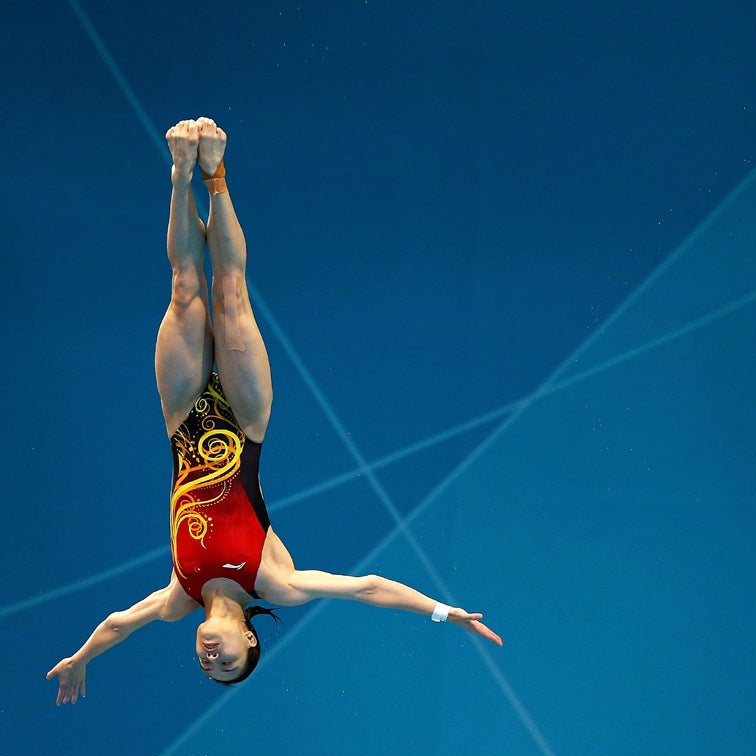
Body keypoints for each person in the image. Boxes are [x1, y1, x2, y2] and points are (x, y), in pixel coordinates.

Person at [47, 118, 501, 704]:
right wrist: (444, 611)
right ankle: (216, 174)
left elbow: (116, 624)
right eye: (229, 663)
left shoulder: (178, 599)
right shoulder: (276, 583)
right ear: (250, 640)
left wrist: (80, 659)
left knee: (185, 287)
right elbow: (366, 588)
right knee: (230, 291)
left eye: (208, 668)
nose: (212, 659)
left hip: (183, 421)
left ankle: (180, 173)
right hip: (245, 420)